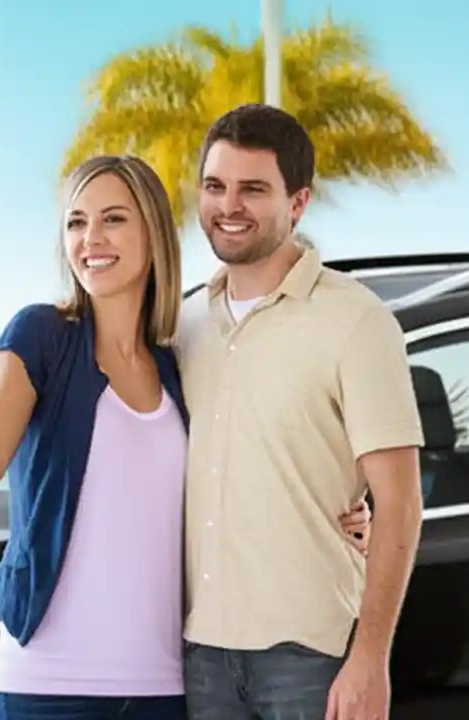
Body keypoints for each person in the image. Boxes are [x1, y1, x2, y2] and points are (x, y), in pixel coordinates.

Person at [0, 154, 370, 720]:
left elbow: (244, 466)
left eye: (113, 219)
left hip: (162, 689)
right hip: (45, 686)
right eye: (76, 222)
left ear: (152, 232)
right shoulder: (42, 336)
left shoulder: (180, 359)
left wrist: (340, 507)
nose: (91, 239)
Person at [177, 103, 424, 720]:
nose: (229, 206)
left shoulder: (357, 321)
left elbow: (399, 503)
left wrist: (370, 659)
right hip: (199, 655)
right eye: (215, 186)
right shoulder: (183, 326)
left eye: (253, 189)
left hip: (312, 657)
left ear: (299, 202)